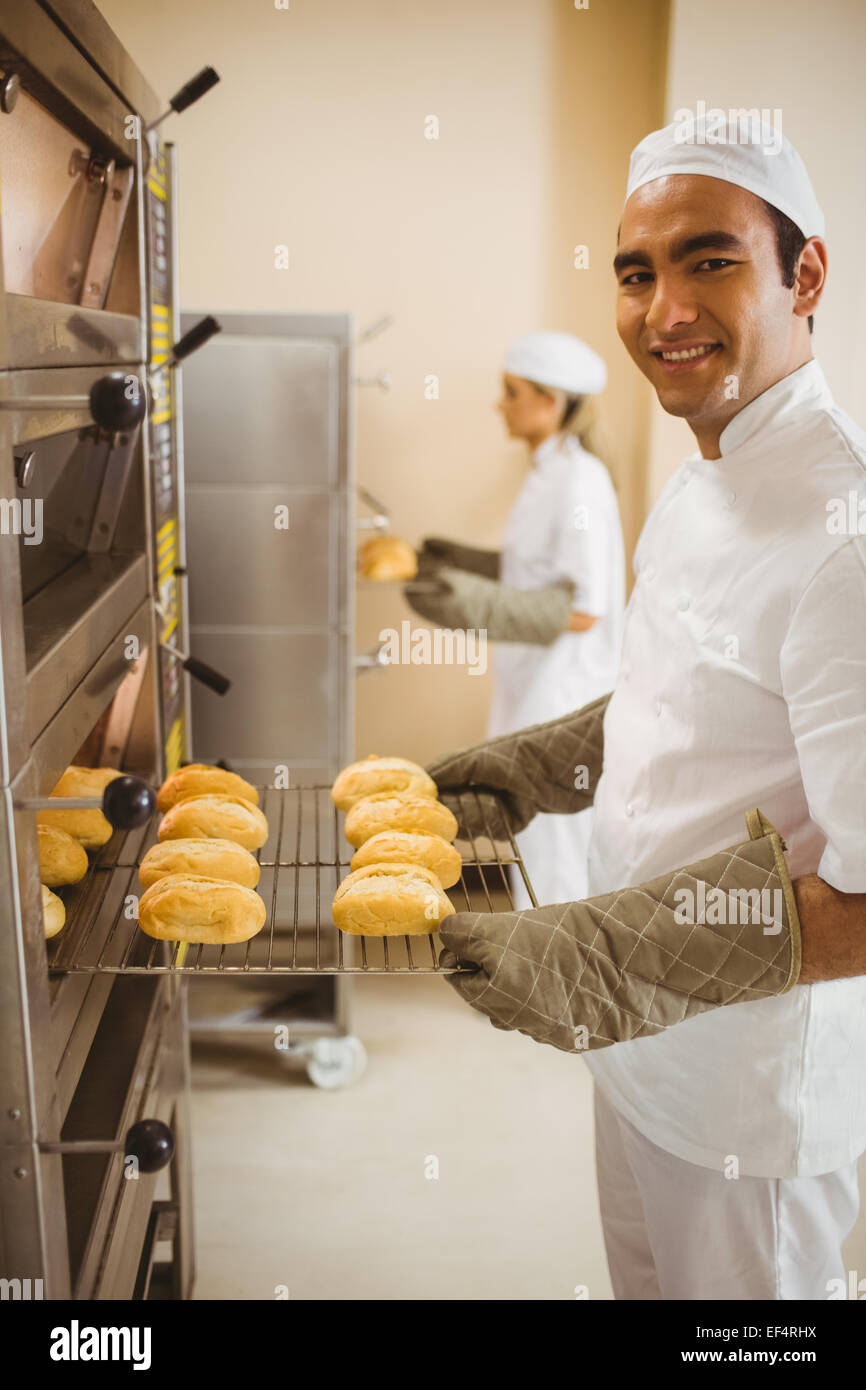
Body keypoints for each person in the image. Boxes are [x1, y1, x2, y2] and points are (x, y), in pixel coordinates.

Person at [428, 114, 866, 1301]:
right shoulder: (699, 471)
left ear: (804, 272)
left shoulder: (844, 536)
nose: (663, 309)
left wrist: (605, 953)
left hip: (744, 1092)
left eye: (708, 259)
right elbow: (691, 693)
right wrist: (544, 758)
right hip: (636, 1056)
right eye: (636, 271)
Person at [405, 332, 625, 906]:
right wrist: (453, 561)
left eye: (511, 392)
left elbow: (584, 609)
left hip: (563, 687)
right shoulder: (548, 470)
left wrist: (469, 603)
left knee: (553, 844)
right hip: (532, 677)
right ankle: (540, 966)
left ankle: (556, 983)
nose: (499, 404)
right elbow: (534, 572)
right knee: (534, 842)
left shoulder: (579, 480)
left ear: (550, 402)